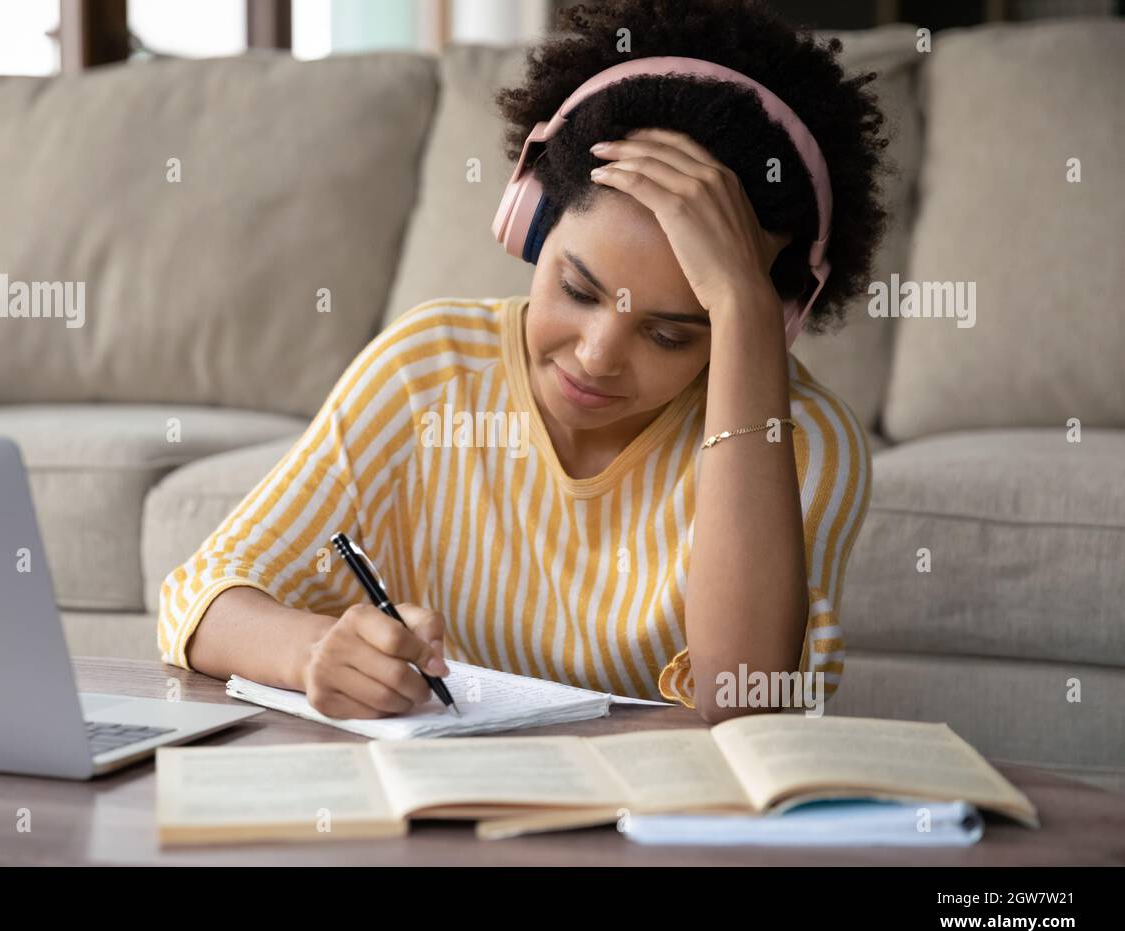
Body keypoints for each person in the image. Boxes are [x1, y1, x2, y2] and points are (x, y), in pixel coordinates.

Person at [157, 0, 888, 724]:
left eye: (672, 334)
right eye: (577, 289)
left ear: (777, 325)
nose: (597, 356)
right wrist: (316, 651)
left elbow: (742, 698)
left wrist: (743, 309)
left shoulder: (806, 443)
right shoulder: (430, 370)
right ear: (529, 220)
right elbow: (199, 596)